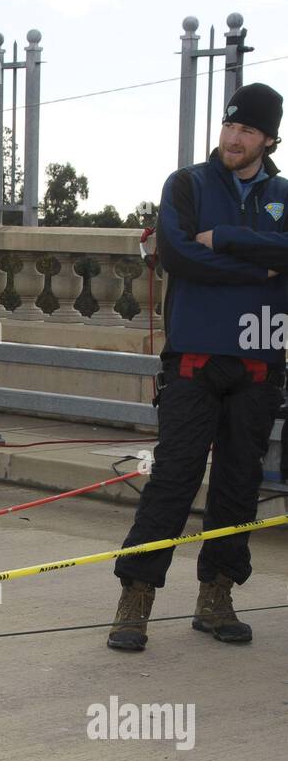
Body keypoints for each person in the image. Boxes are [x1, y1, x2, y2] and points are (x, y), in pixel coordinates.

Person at [108, 82, 288, 650]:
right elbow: (180, 254)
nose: (233, 138)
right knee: (174, 479)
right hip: (194, 359)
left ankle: (216, 597)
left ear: (269, 139)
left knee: (238, 486)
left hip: (259, 362)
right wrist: (259, 269)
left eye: (247, 130)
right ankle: (136, 597)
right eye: (229, 126)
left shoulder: (283, 194)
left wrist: (227, 238)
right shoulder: (186, 183)